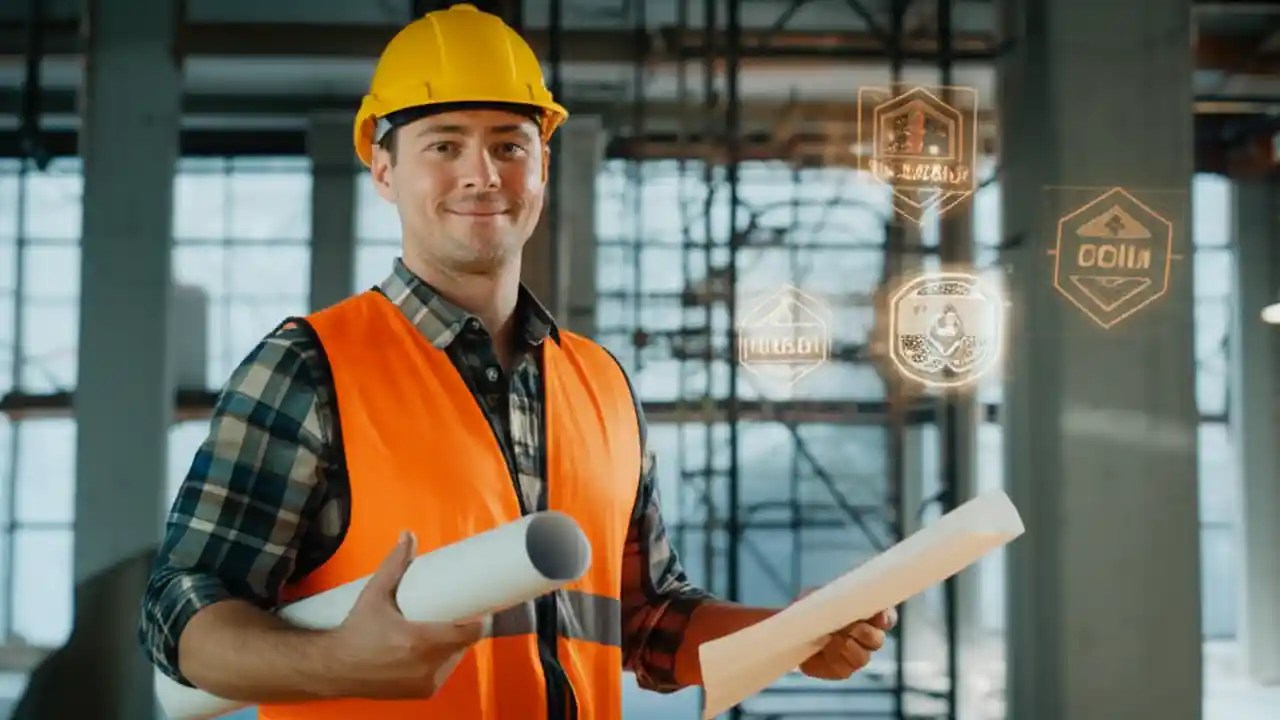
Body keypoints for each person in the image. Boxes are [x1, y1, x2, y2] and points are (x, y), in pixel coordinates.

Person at [138, 4, 897, 719]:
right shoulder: (310, 368)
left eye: (509, 143)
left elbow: (648, 619)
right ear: (383, 169)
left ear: (542, 164)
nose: (483, 174)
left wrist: (798, 632)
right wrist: (337, 660)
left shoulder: (600, 384)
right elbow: (180, 611)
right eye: (444, 145)